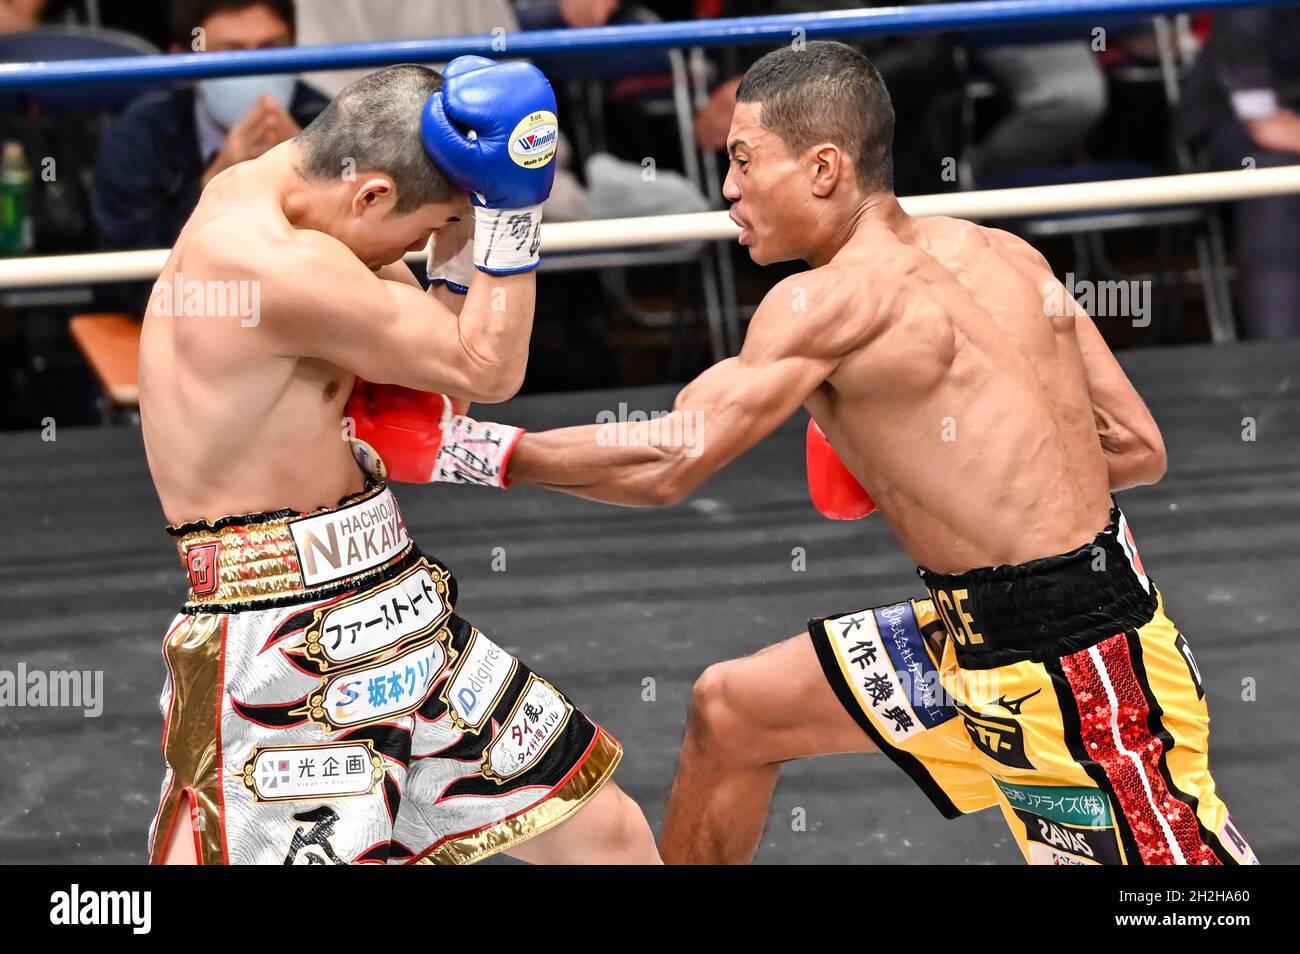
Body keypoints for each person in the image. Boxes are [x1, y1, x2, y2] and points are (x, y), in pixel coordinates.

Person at [414, 41, 1255, 865]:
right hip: (973, 632)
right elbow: (1138, 449)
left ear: (824, 169)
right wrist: (955, 467)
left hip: (1082, 671)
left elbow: (669, 460)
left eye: (745, 161)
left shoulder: (823, 301)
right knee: (734, 711)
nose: (729, 188)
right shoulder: (1005, 251)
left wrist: (463, 448)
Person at [140, 57, 658, 864]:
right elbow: (487, 368)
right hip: (280, 634)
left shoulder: (305, 205)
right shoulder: (270, 264)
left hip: (395, 601)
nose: (422, 251)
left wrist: (456, 222)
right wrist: (511, 211)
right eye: (423, 232)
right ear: (372, 194)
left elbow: (443, 395)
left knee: (610, 837)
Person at [92, 0, 329, 254]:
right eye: (231, 52)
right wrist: (212, 189)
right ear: (183, 60)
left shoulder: (329, 124)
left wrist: (306, 177)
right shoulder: (138, 138)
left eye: (271, 48)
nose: (255, 68)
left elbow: (357, 256)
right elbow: (126, 282)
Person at [1179, 5, 1300, 339]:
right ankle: (1283, 361)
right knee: (1274, 178)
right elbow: (1265, 123)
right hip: (1237, 118)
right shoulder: (1251, 12)